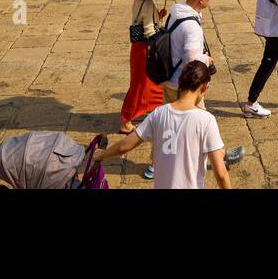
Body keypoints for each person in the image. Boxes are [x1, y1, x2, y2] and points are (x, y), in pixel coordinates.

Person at [98, 62, 232, 189]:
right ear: (204, 88)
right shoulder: (206, 120)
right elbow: (220, 174)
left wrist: (101, 155)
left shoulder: (159, 113)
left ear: (180, 82)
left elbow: (124, 146)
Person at [120, 0, 166, 135]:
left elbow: (143, 19)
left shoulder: (138, 1)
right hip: (146, 48)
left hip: (138, 48)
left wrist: (158, 15)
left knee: (141, 82)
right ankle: (127, 119)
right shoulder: (147, 3)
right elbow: (148, 29)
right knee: (144, 83)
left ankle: (147, 110)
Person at [166, 0, 213, 103]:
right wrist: (206, 59)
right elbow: (192, 59)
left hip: (170, 77)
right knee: (198, 119)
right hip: (185, 85)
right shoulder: (192, 26)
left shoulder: (175, 14)